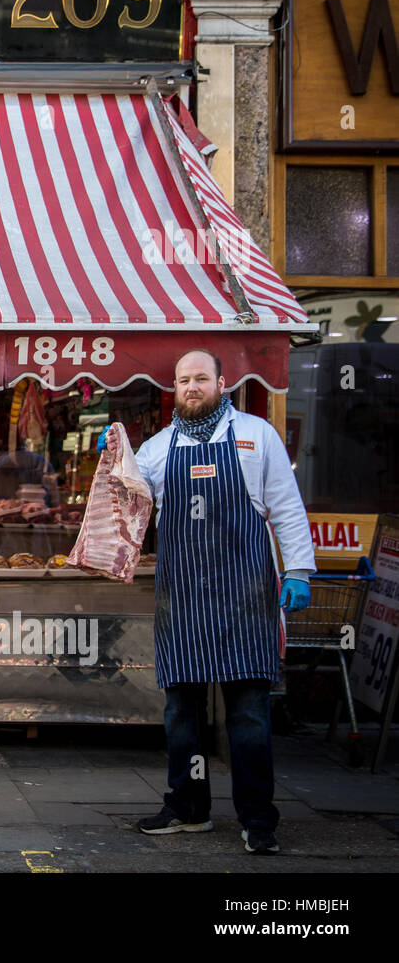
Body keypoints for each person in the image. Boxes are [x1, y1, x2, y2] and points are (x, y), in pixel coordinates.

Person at [101, 349, 313, 855]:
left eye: (201, 378)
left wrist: (300, 570)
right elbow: (128, 502)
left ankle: (258, 819)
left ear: (222, 382)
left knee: (249, 713)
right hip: (184, 600)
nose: (191, 387)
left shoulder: (257, 435)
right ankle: (188, 809)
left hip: (246, 595)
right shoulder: (156, 448)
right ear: (175, 388)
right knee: (182, 712)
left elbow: (286, 505)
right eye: (183, 381)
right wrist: (115, 461)